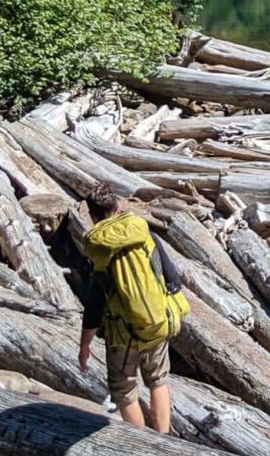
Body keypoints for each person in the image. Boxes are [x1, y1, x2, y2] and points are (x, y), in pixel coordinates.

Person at [77, 185, 190, 433]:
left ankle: (141, 443)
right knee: (158, 381)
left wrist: (85, 346)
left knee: (124, 390)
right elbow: (173, 279)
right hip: (158, 323)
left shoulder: (98, 250)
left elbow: (95, 304)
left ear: (92, 216)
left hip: (123, 333)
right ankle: (162, 438)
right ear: (118, 209)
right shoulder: (144, 233)